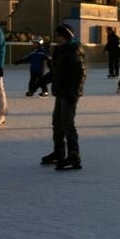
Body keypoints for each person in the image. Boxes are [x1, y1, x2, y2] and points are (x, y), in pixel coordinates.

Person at [41, 25, 86, 170]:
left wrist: (74, 92)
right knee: (57, 122)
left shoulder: (74, 50)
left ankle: (74, 156)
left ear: (66, 36)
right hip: (61, 91)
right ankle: (59, 152)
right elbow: (56, 72)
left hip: (70, 93)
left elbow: (80, 74)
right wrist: (41, 81)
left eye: (58, 36)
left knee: (67, 123)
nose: (56, 38)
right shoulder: (59, 50)